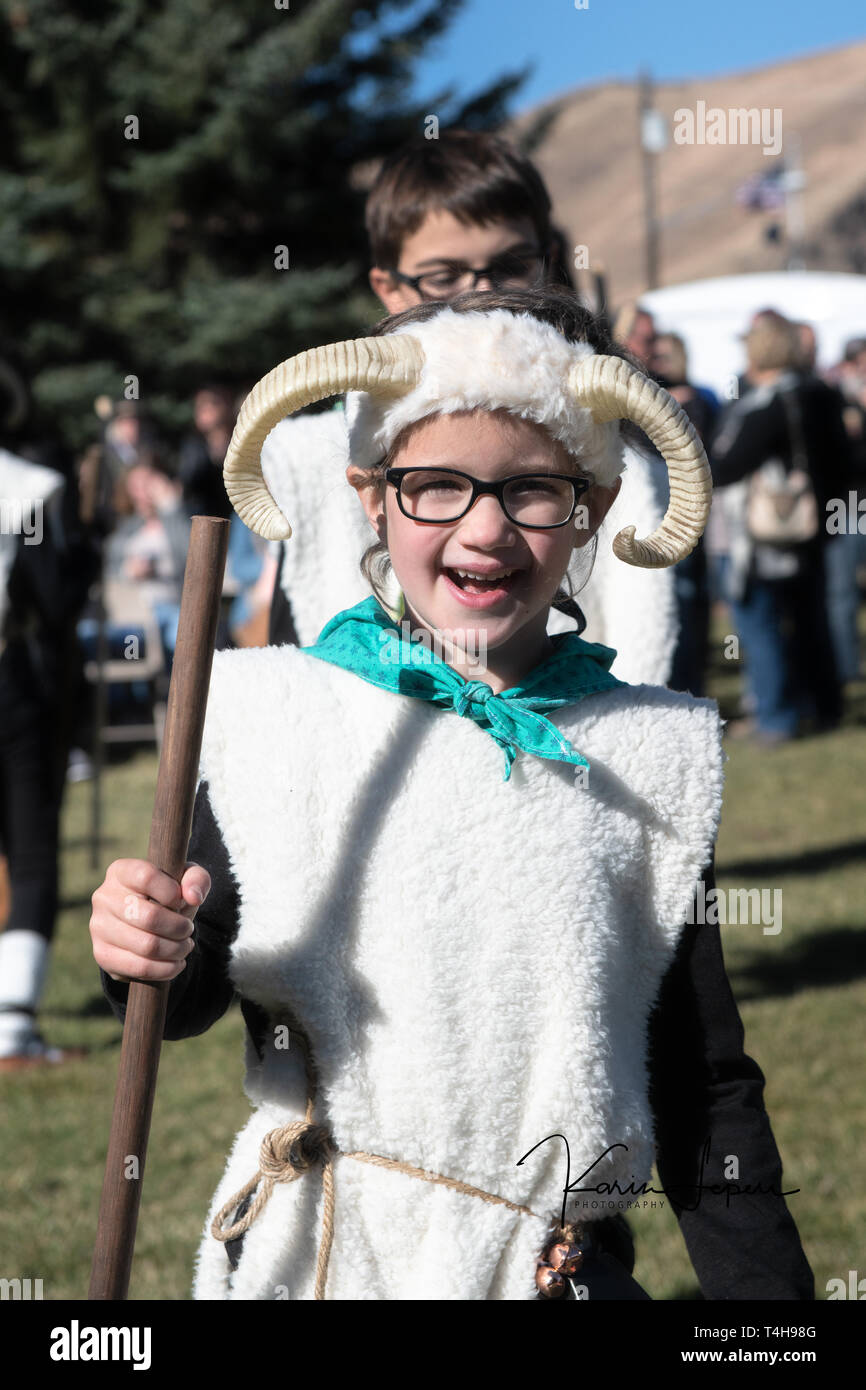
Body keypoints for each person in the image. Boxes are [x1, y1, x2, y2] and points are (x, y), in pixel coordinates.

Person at [90, 287, 812, 1301]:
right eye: (436, 485)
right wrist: (142, 952)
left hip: (546, 1272)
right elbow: (189, 986)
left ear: (589, 511)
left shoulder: (644, 753)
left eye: (531, 491)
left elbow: (698, 1080)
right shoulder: (276, 718)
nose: (485, 530)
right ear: (371, 496)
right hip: (322, 1260)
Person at [265, 130, 678, 687]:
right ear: (388, 286)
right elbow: (291, 645)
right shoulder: (308, 459)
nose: (479, 294)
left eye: (510, 265)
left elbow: (650, 645)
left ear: (548, 265)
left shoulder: (609, 456)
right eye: (444, 276)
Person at [712, 313, 849, 741]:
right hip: (815, 530)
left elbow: (728, 466)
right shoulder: (823, 394)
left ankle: (776, 719)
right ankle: (826, 706)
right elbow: (843, 458)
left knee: (761, 623)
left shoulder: (766, 403)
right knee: (813, 621)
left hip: (768, 534)